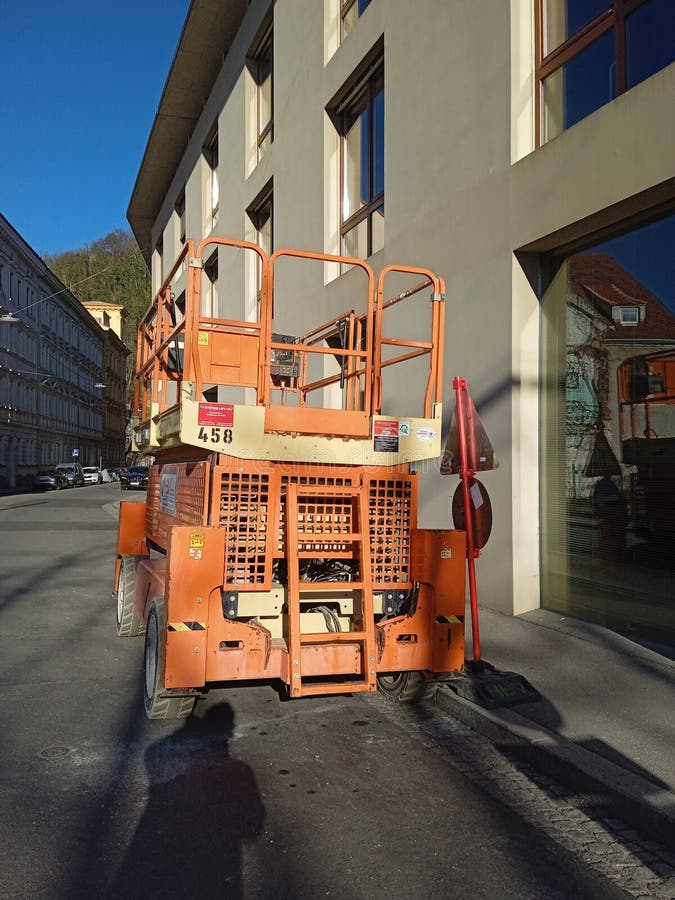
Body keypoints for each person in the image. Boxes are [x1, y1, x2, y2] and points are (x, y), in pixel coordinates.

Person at [592, 475, 626, 566]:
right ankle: (611, 564)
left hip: (607, 517)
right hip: (610, 518)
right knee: (611, 542)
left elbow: (596, 501)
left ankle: (608, 564)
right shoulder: (608, 485)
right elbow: (618, 500)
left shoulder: (602, 484)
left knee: (608, 543)